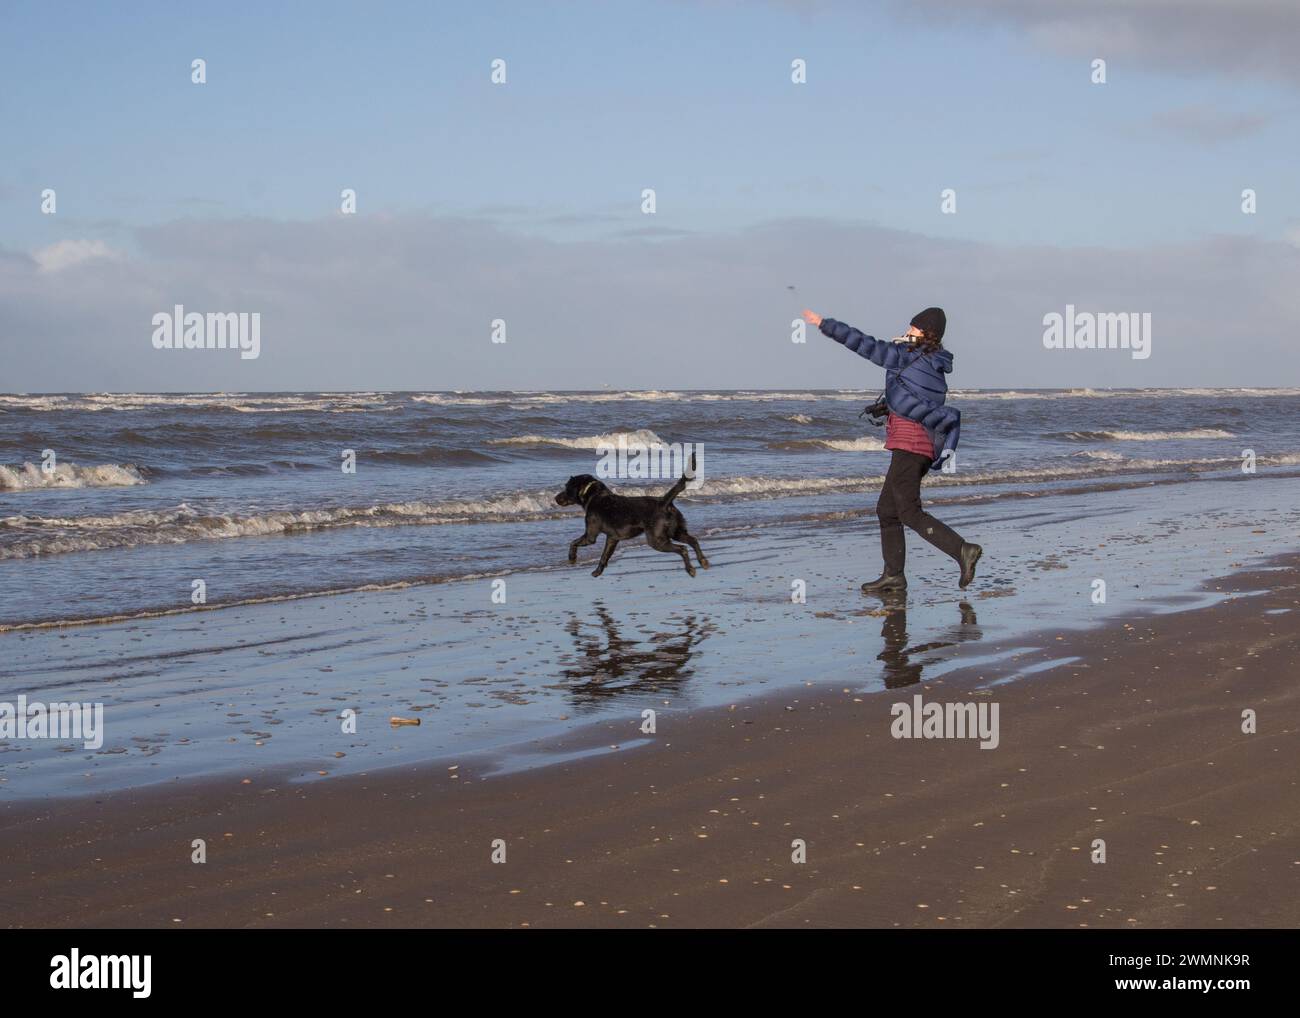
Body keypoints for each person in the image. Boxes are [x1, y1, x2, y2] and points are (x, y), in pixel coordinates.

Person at [801, 306, 982, 593]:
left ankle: (962, 550)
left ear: (925, 333)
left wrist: (825, 324)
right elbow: (918, 399)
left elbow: (862, 343)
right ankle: (893, 575)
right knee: (887, 509)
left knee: (908, 511)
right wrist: (891, 406)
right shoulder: (933, 364)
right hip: (922, 446)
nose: (907, 331)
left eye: (913, 328)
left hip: (910, 444)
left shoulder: (905, 356)